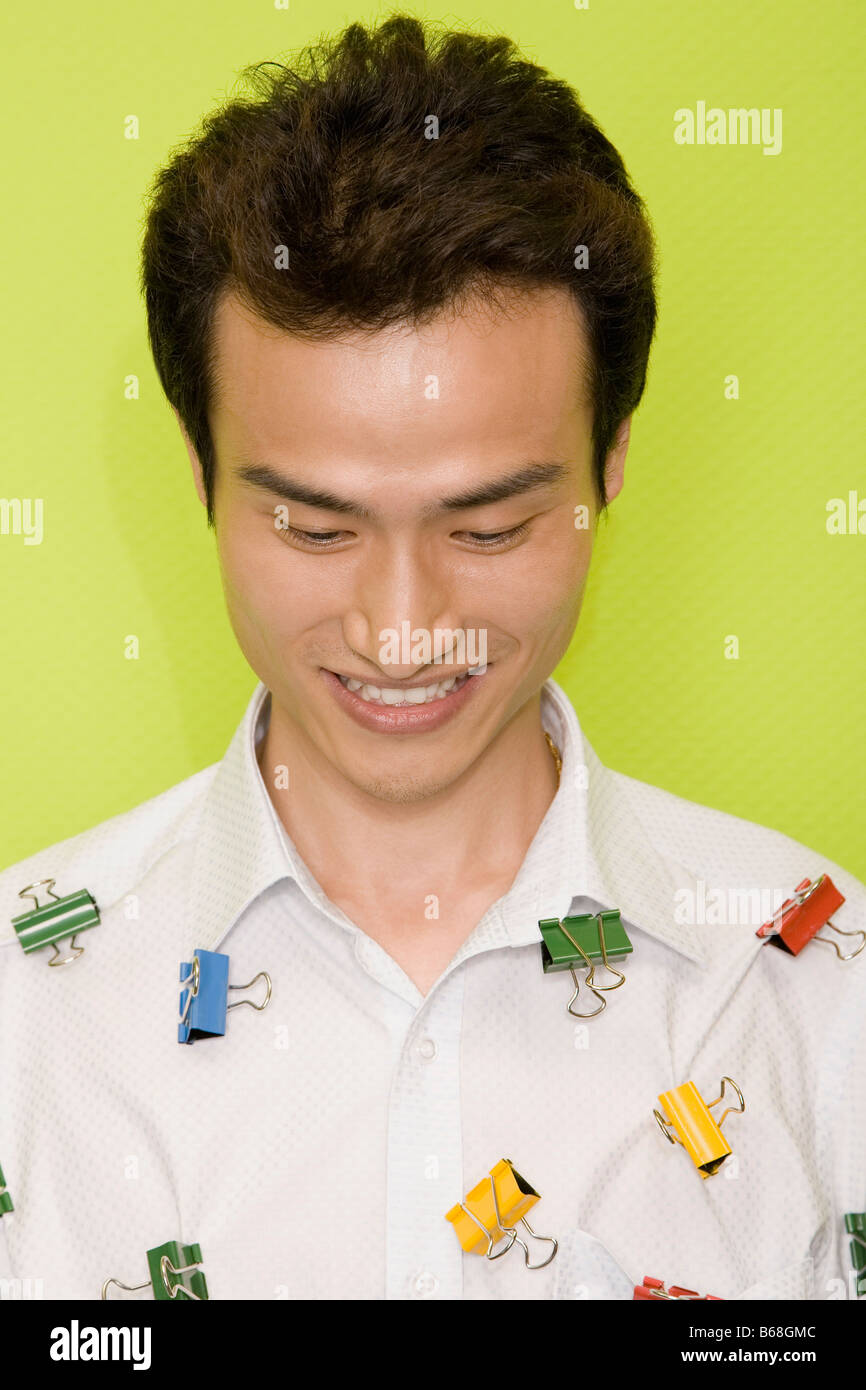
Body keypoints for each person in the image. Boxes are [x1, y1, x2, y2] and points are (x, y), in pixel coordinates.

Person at [1, 15, 863, 1302]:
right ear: (197, 477)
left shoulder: (815, 992)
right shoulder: (26, 1013)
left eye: (489, 525)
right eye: (312, 524)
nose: (400, 625)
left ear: (608, 466)